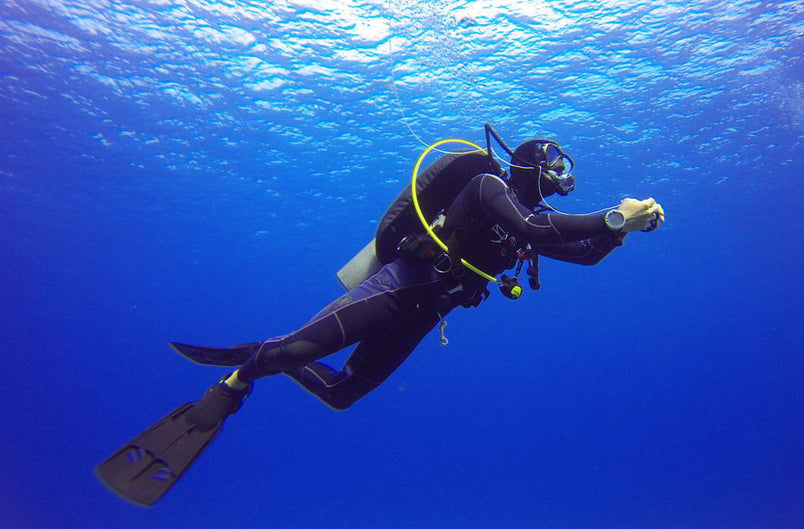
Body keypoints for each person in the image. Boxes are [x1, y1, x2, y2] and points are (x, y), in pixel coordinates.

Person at [95, 124, 665, 507]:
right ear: (531, 165)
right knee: (296, 353)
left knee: (342, 393)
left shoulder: (533, 216)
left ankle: (267, 350)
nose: (563, 174)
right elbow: (535, 230)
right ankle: (241, 377)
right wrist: (614, 216)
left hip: (425, 313)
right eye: (556, 164)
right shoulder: (490, 185)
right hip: (402, 286)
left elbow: (582, 253)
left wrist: (623, 234)